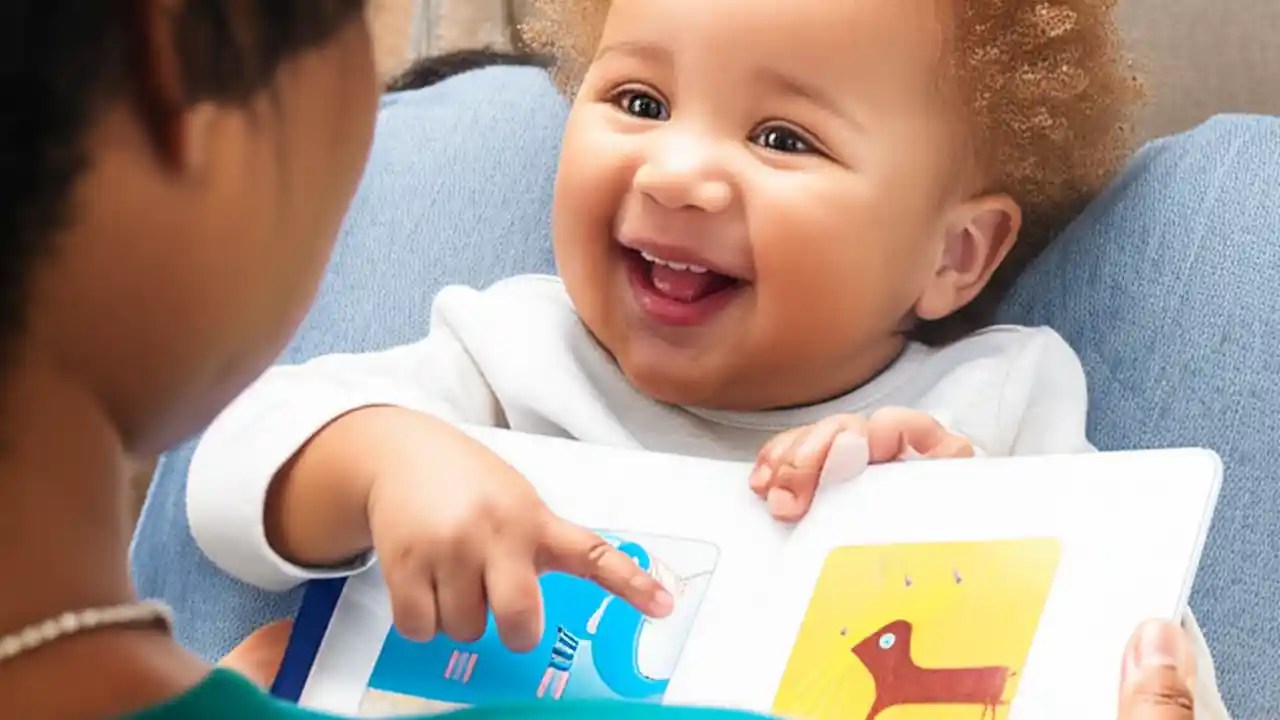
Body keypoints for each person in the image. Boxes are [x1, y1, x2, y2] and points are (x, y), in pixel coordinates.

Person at [0, 0, 1206, 717]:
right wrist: (386, 462)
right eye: (634, 100)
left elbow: (1136, 630)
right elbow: (229, 470)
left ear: (952, 254)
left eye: (781, 137)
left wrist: (963, 538)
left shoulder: (989, 405)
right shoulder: (515, 347)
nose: (673, 172)